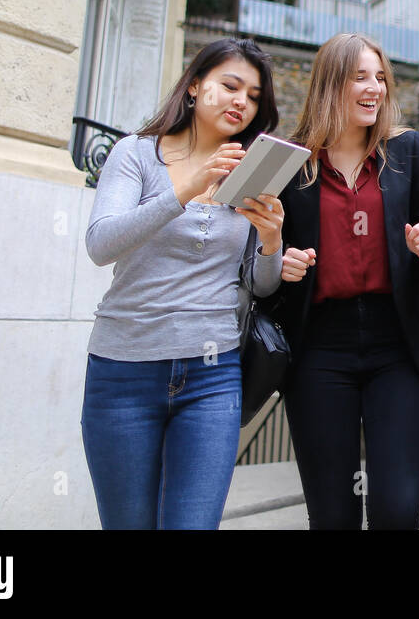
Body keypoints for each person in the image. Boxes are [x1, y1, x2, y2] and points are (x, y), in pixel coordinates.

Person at [82, 37, 285, 529]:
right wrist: (188, 186)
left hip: (212, 377)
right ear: (195, 86)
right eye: (230, 86)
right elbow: (101, 244)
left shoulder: (252, 168)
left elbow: (261, 286)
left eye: (254, 95)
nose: (242, 101)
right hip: (123, 371)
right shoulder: (136, 153)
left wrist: (271, 240)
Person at [271, 33, 419, 530]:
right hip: (319, 351)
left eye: (381, 78)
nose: (376, 89)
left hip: (398, 347)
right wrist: (280, 262)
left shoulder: (406, 148)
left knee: (396, 510)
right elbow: (258, 253)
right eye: (361, 78)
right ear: (330, 85)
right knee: (332, 514)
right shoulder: (289, 161)